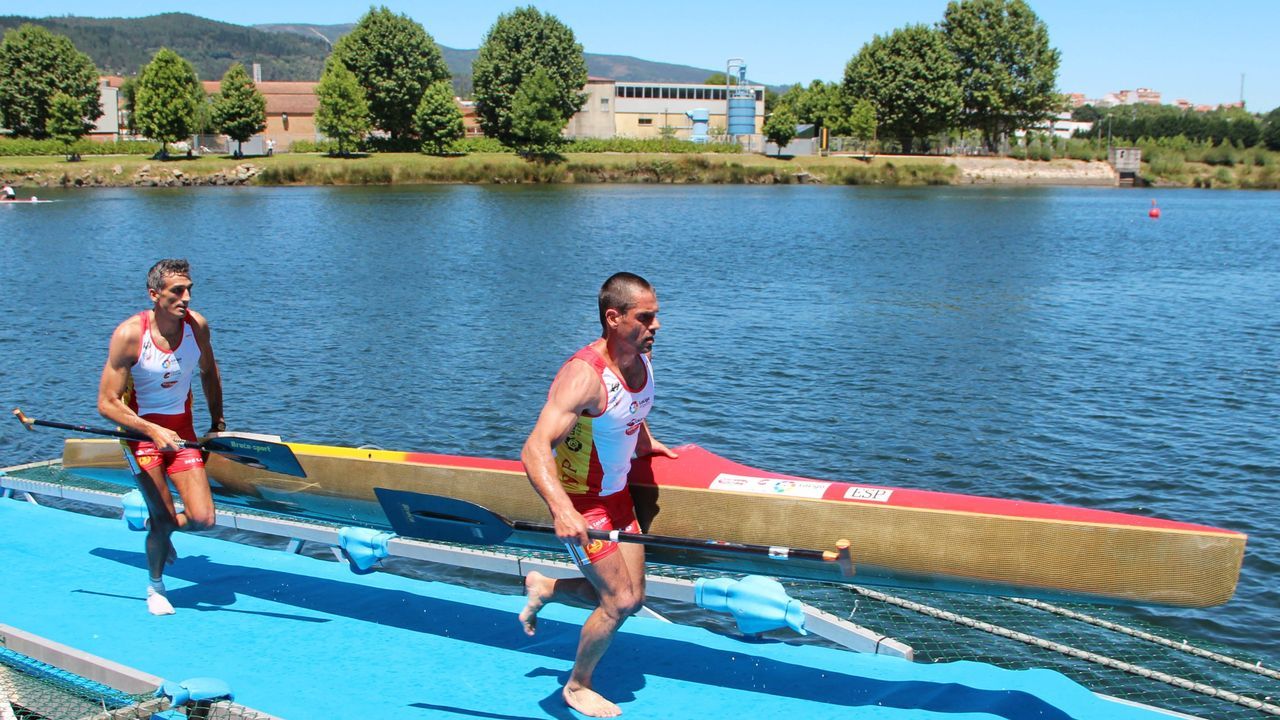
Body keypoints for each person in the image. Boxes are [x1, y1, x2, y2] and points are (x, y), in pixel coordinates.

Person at [519, 272, 677, 718]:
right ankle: (576, 685)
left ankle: (545, 587)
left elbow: (632, 410)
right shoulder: (583, 377)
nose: (656, 326)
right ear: (614, 317)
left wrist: (645, 442)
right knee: (619, 601)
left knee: (633, 596)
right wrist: (562, 510)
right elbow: (534, 449)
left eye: (656, 316)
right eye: (646, 318)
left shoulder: (641, 358)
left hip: (619, 495)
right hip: (584, 503)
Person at [97, 259, 225, 616]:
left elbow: (209, 373)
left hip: (182, 433)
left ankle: (161, 529)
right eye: (176, 291)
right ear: (154, 295)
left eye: (189, 290)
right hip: (140, 435)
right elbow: (106, 403)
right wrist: (152, 429)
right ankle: (155, 587)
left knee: (203, 519)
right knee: (165, 517)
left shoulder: (196, 326)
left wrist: (217, 423)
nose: (186, 298)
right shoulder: (129, 335)